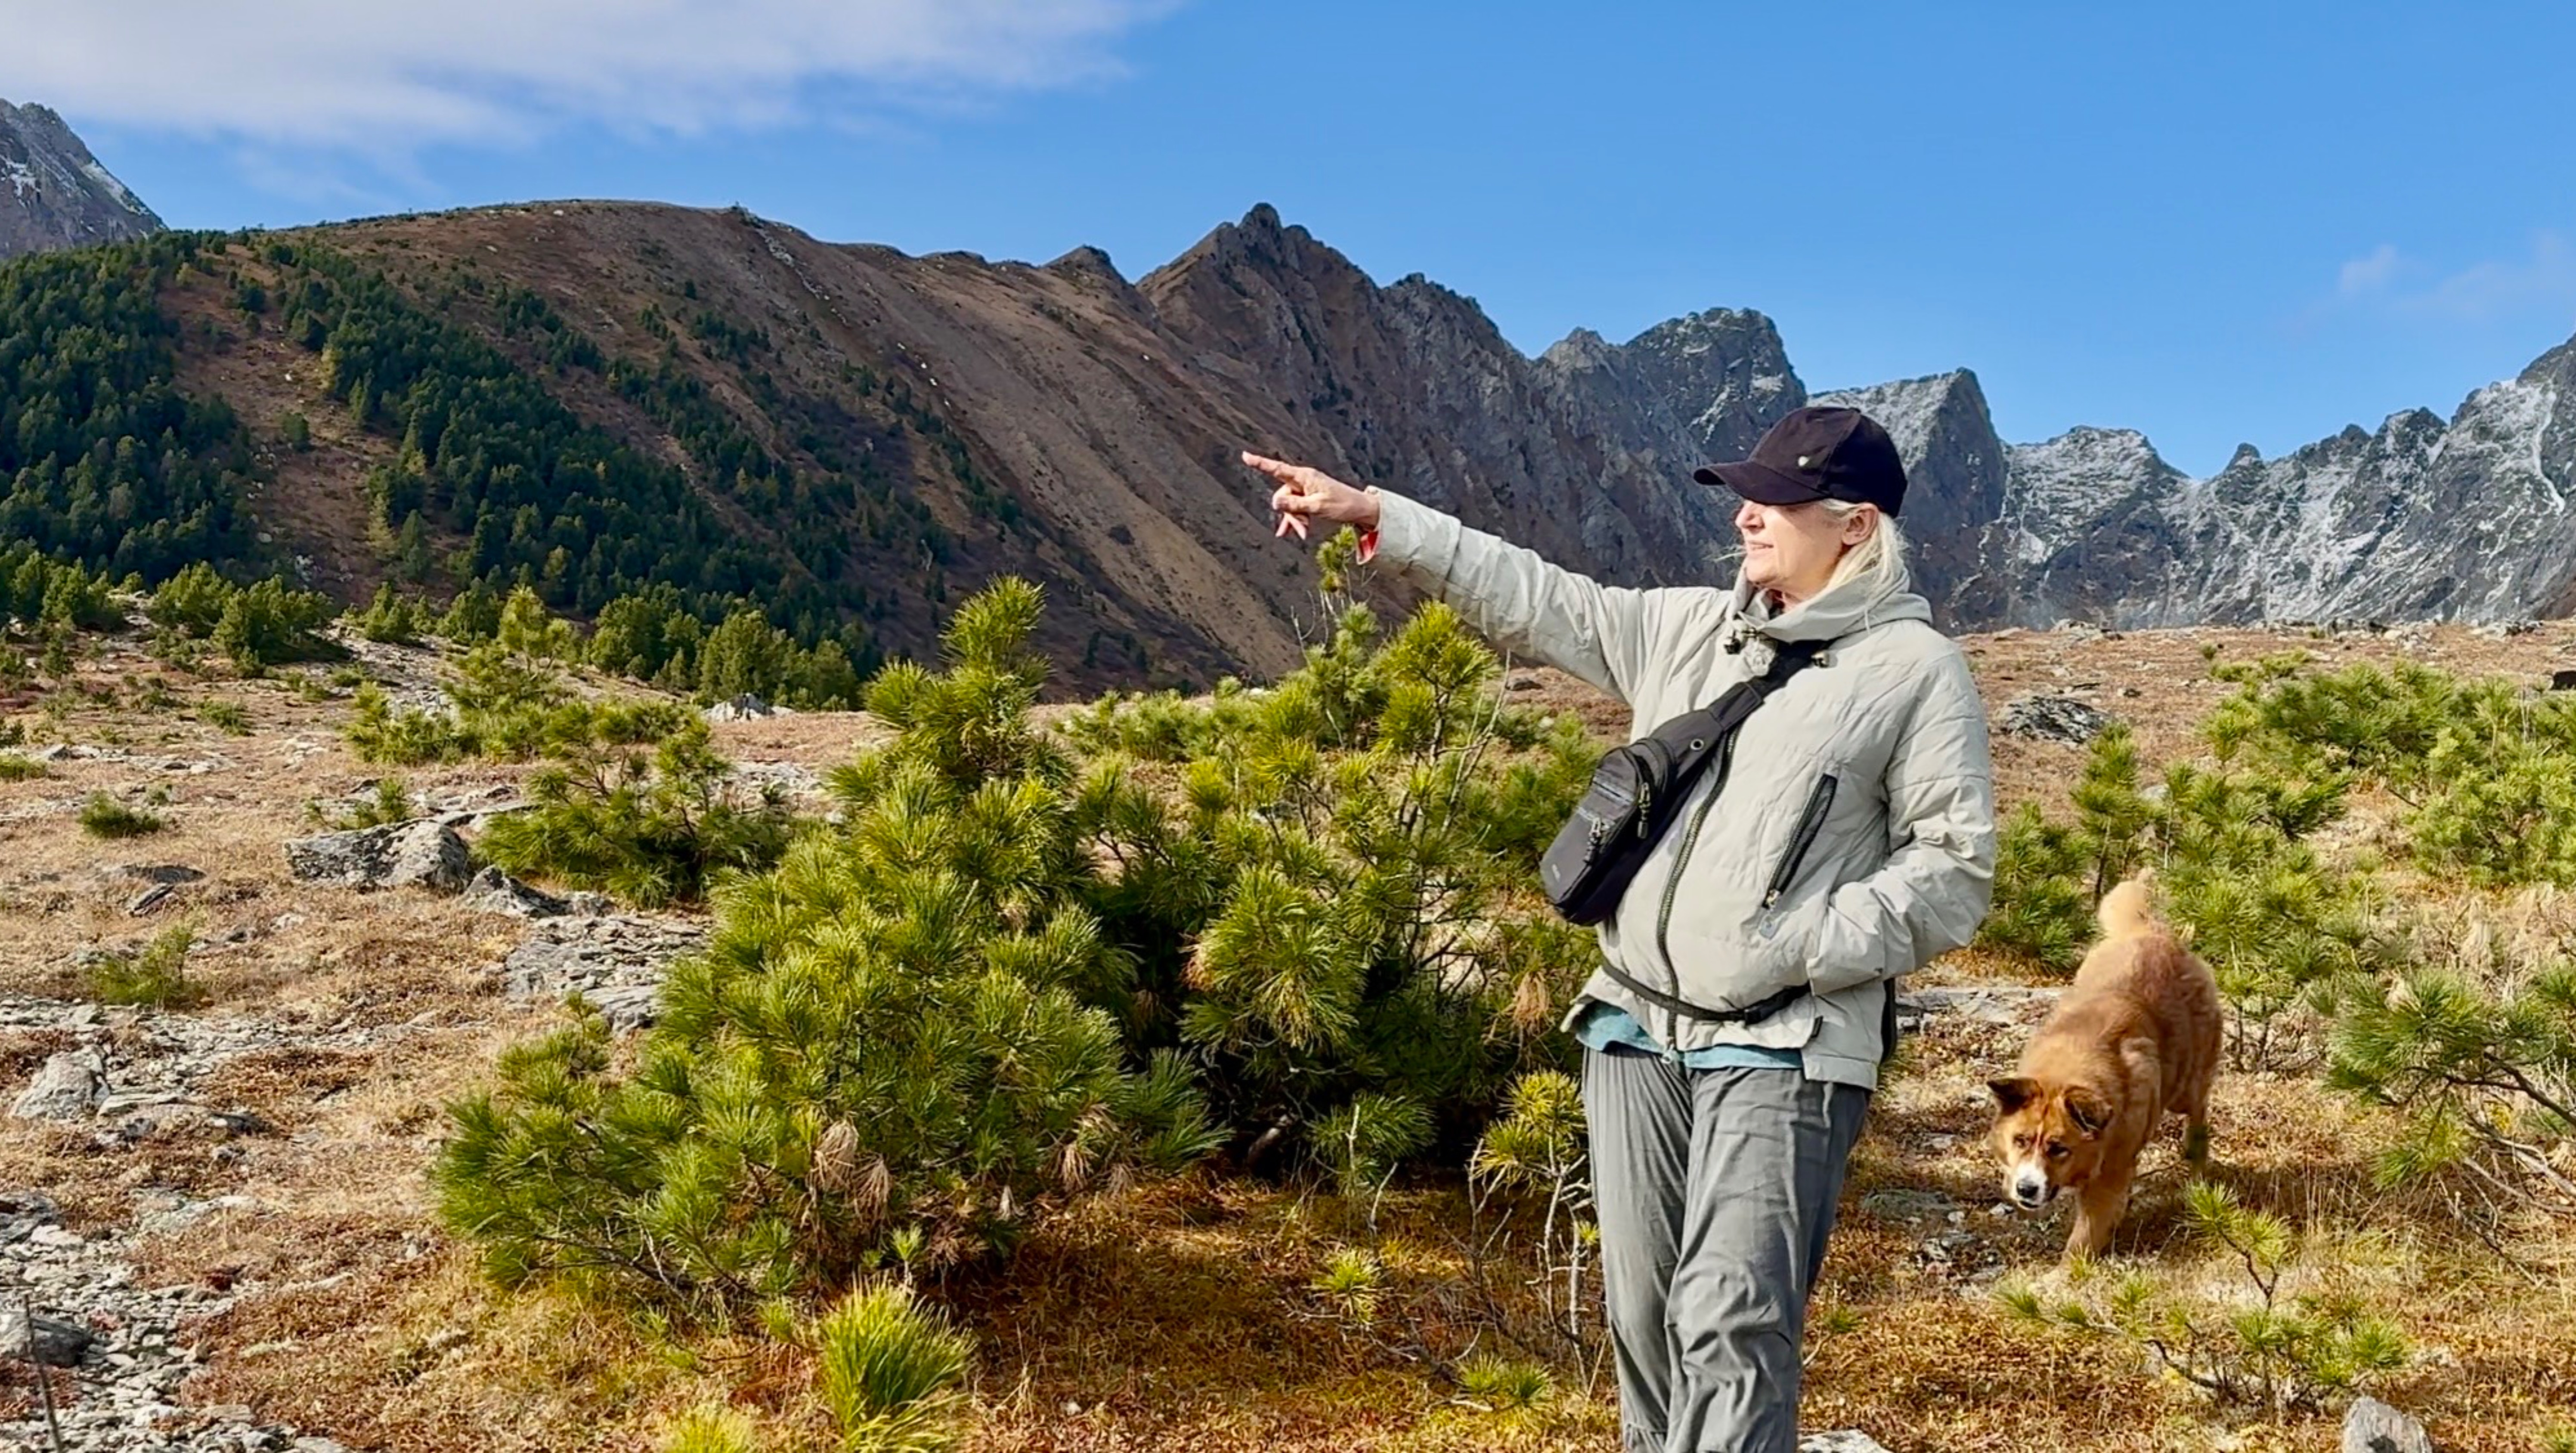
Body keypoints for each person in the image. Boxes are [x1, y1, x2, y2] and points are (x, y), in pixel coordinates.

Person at [1244, 405, 1997, 1453]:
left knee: (1729, 1319)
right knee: (1644, 1320)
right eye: (1744, 496)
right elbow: (1536, 596)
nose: (1745, 518)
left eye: (1774, 501)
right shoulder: (1692, 632)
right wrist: (1379, 514)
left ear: (1856, 524)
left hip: (1784, 1045)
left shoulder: (1915, 672)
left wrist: (1795, 941)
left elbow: (1953, 869)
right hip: (1636, 1026)